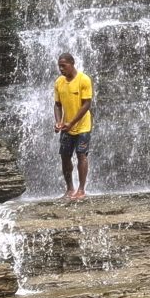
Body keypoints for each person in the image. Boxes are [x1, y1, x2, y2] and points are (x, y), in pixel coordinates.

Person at [52, 51, 94, 201]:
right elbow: (57, 105)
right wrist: (58, 121)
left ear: (72, 64)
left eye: (63, 66)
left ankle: (81, 190)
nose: (61, 69)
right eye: (59, 67)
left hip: (82, 125)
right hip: (66, 127)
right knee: (64, 156)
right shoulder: (59, 82)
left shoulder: (84, 80)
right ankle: (70, 188)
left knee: (81, 155)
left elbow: (87, 104)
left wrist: (72, 123)